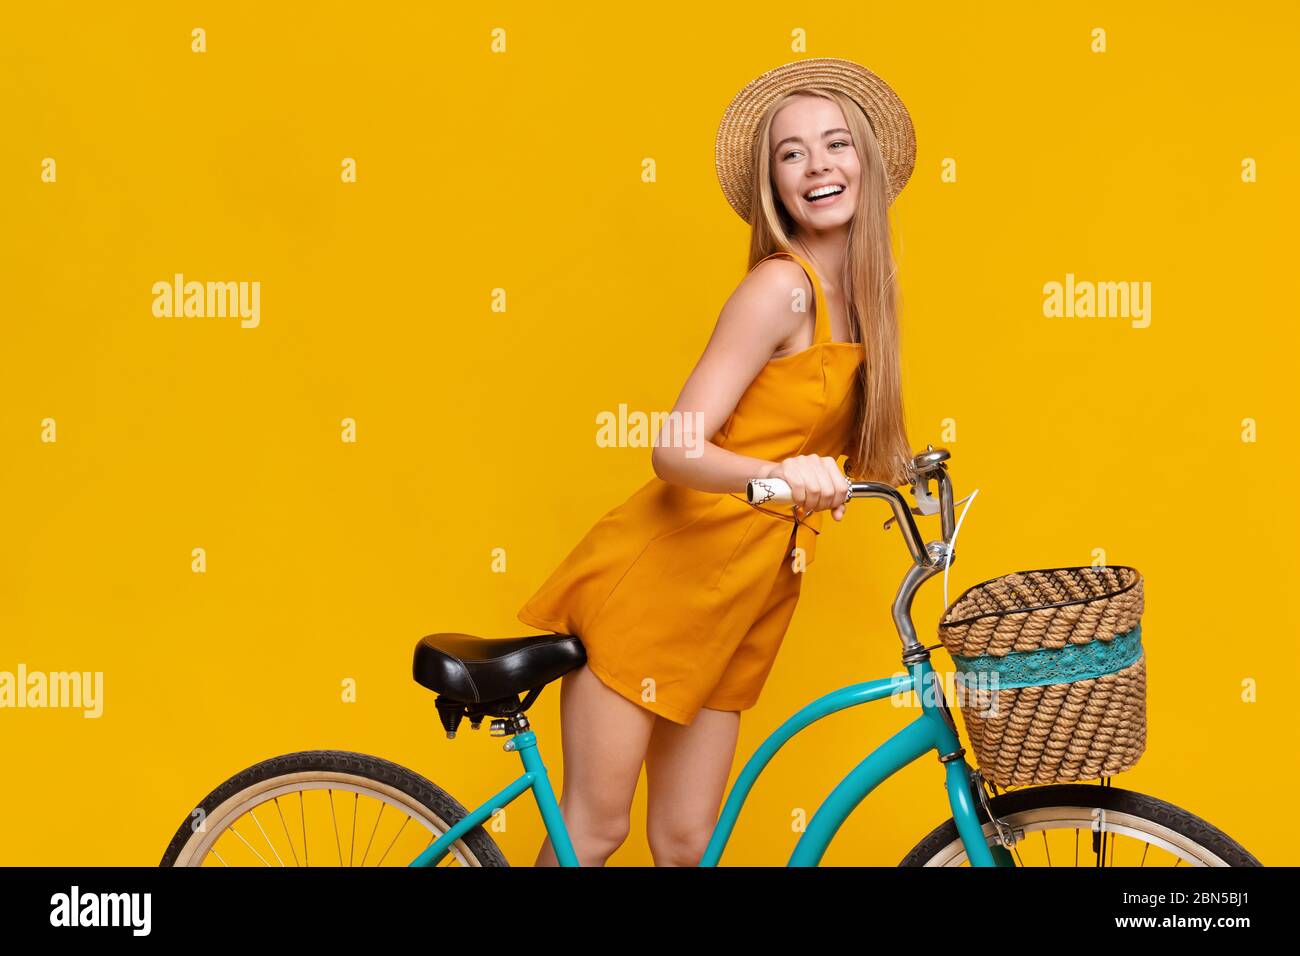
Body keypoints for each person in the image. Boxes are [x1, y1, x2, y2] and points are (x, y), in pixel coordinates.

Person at [518, 58, 917, 866]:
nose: (817, 166)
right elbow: (676, 447)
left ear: (866, 163)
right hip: (663, 581)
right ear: (774, 183)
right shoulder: (782, 288)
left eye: (835, 145)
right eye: (792, 153)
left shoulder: (868, 297)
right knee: (593, 832)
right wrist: (778, 478)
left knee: (687, 841)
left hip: (742, 595)